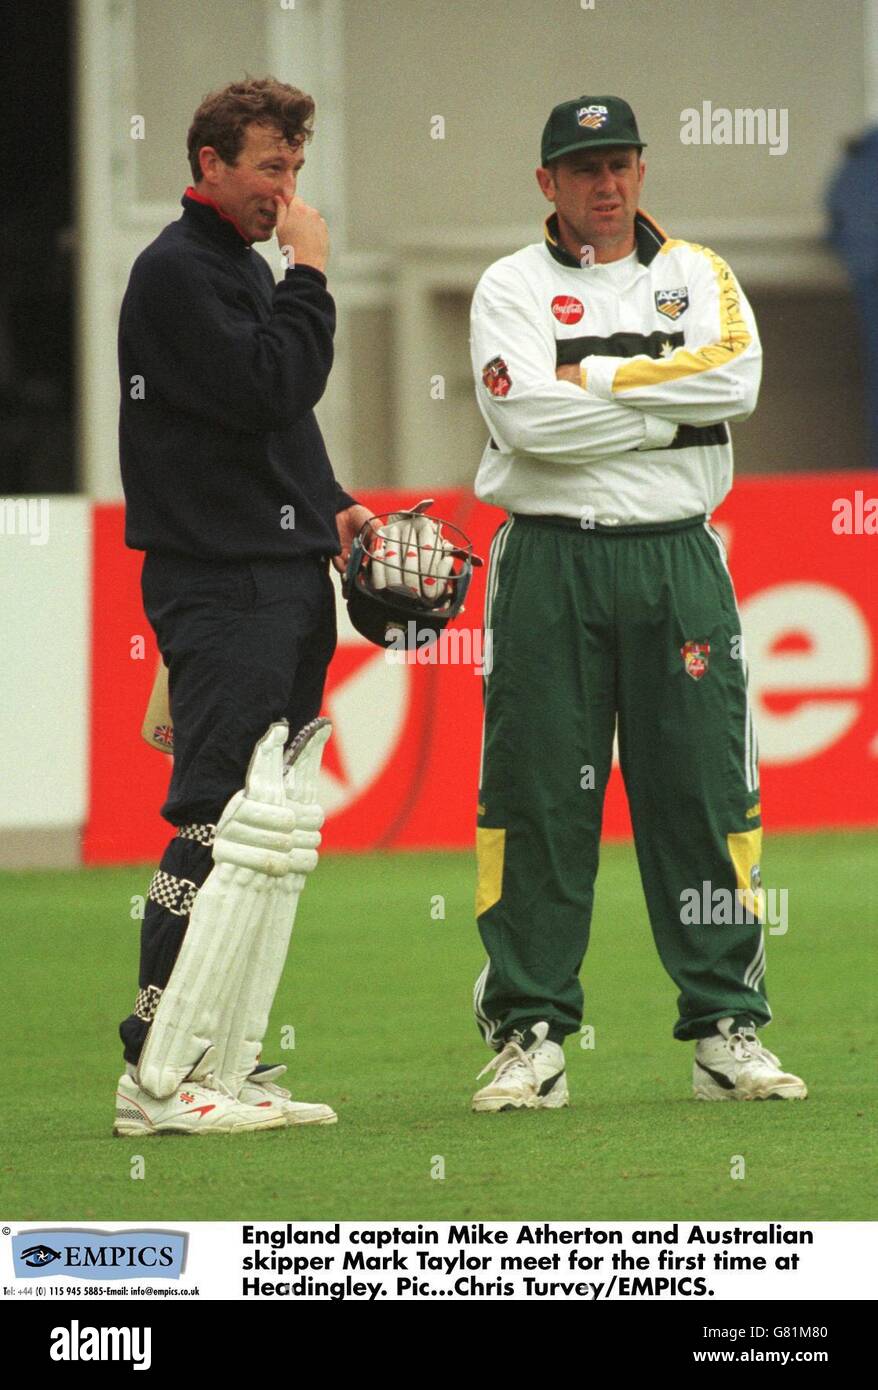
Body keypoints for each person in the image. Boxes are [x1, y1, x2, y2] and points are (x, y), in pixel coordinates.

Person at [468, 95, 807, 1111]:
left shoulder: (695, 274)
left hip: (676, 564)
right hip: (548, 563)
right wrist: (667, 417)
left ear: (641, 172)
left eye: (618, 165)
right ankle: (528, 1033)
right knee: (533, 800)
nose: (603, 186)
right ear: (547, 185)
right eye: (581, 170)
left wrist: (597, 378)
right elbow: (524, 421)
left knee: (699, 793)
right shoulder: (508, 284)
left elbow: (736, 381)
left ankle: (723, 1029)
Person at [113, 77, 371, 1135]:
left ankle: (226, 1058)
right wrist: (311, 271)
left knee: (267, 829)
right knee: (215, 819)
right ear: (209, 165)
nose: (285, 188)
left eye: (295, 167)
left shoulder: (230, 270)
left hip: (277, 574)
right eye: (269, 166)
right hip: (220, 581)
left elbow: (271, 428)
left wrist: (336, 508)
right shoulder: (176, 272)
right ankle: (155, 1073)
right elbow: (273, 387)